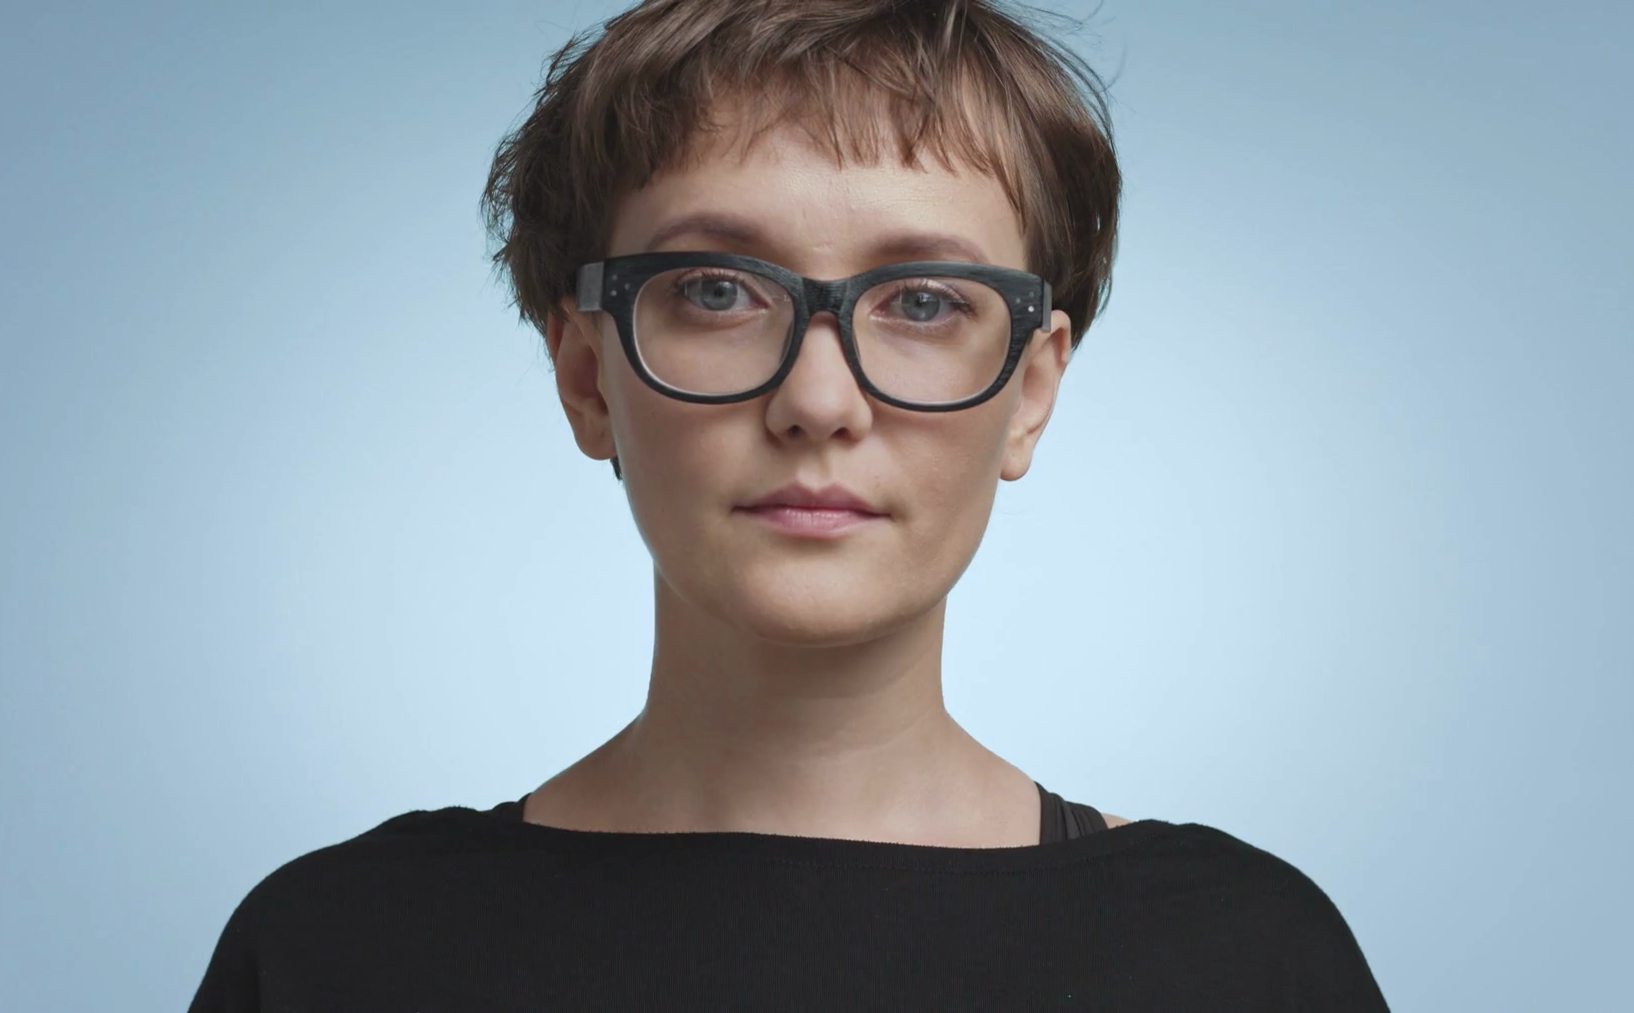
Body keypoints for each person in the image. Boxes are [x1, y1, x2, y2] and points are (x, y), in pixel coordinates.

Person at [188, 1, 1390, 1008]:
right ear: (585, 375)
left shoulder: (1244, 962)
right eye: (717, 289)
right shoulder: (335, 955)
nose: (819, 401)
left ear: (1030, 391)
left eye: (922, 302)